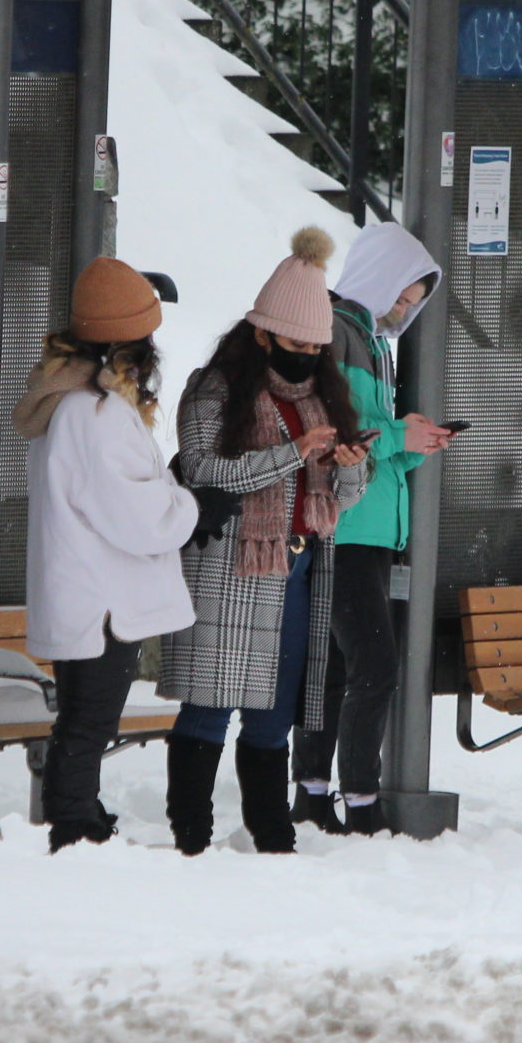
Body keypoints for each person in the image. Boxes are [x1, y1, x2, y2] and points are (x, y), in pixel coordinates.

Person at [157, 227, 370, 855]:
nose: (304, 354)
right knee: (209, 706)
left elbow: (339, 499)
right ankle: (190, 834)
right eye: (293, 342)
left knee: (275, 712)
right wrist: (290, 455)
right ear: (261, 333)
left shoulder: (322, 397)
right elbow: (200, 469)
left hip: (300, 569)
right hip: (230, 566)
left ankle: (272, 834)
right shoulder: (213, 388)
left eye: (315, 345)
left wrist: (349, 463)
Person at [14, 258, 198, 855]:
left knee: (82, 718)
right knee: (88, 723)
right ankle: (73, 831)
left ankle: (81, 817)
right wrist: (192, 508)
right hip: (101, 603)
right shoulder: (95, 414)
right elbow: (136, 518)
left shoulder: (77, 406)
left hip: (89, 596)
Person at [290, 222, 456, 837]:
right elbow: (337, 435)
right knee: (373, 667)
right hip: (347, 526)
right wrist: (395, 436)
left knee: (334, 666)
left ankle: (313, 793)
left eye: (412, 305)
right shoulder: (339, 333)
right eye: (402, 297)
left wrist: (413, 445)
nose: (403, 312)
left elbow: (370, 443)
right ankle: (360, 802)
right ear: (379, 279)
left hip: (368, 525)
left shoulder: (366, 338)